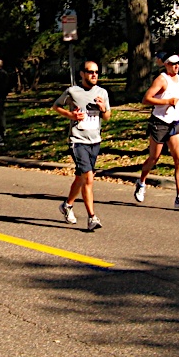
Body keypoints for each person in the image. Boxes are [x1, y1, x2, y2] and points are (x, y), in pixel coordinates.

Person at [53, 60, 111, 232]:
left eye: (96, 72)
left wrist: (102, 108)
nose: (94, 75)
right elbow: (56, 106)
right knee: (88, 177)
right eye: (90, 72)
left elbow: (107, 116)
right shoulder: (73, 91)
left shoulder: (102, 92)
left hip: (95, 141)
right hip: (78, 141)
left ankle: (67, 205)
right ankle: (92, 217)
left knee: (80, 177)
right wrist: (70, 114)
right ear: (82, 74)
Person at [133, 54, 179, 209]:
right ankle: (141, 182)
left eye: (178, 64)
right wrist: (167, 101)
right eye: (173, 64)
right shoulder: (161, 79)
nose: (176, 66)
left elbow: (178, 95)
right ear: (166, 64)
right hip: (159, 122)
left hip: (174, 123)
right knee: (154, 158)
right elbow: (146, 99)